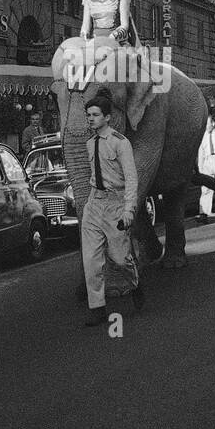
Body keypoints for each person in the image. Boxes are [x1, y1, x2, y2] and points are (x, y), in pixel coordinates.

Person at [80, 94, 142, 325]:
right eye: (88, 115)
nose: (91, 119)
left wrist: (129, 210)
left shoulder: (120, 142)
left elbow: (131, 178)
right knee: (91, 260)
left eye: (95, 115)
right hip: (94, 204)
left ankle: (135, 283)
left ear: (107, 117)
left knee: (119, 258)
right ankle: (97, 309)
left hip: (115, 206)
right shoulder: (90, 144)